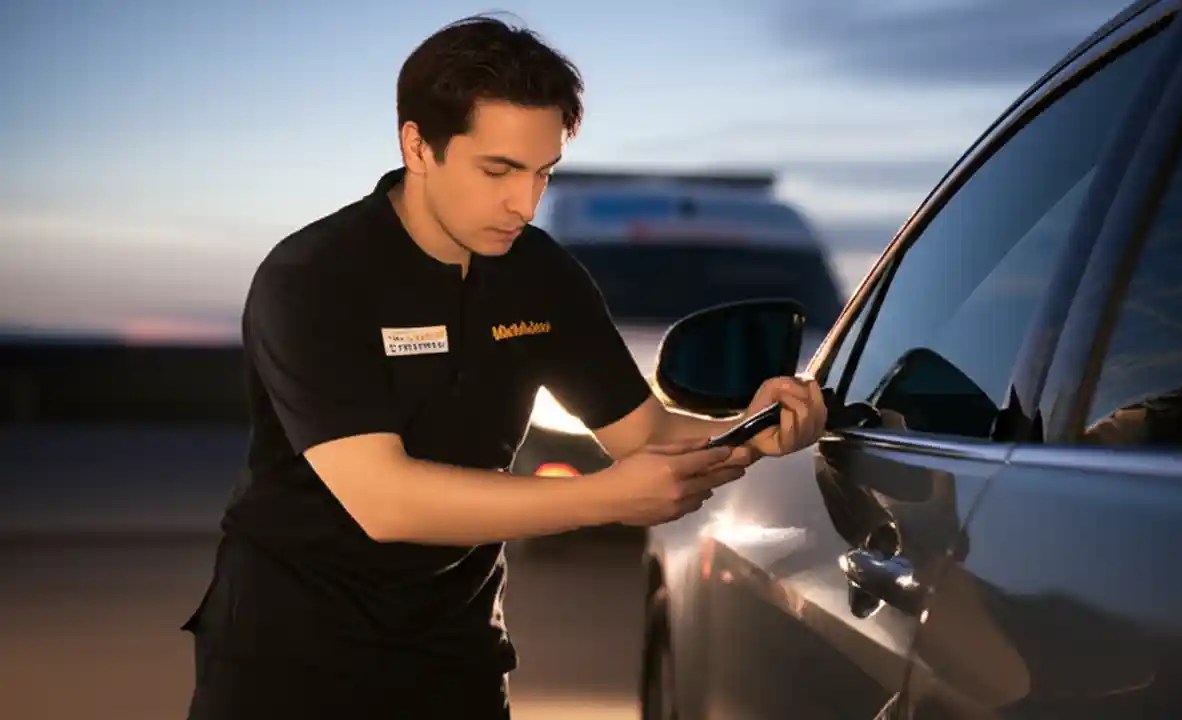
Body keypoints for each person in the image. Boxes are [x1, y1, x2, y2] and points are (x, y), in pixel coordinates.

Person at [181, 14, 827, 720]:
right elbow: (383, 501)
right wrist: (605, 500)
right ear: (418, 146)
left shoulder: (541, 274)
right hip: (288, 659)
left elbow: (643, 435)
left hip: (456, 652)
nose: (524, 203)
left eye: (542, 173)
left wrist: (753, 432)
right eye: (499, 170)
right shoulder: (315, 276)